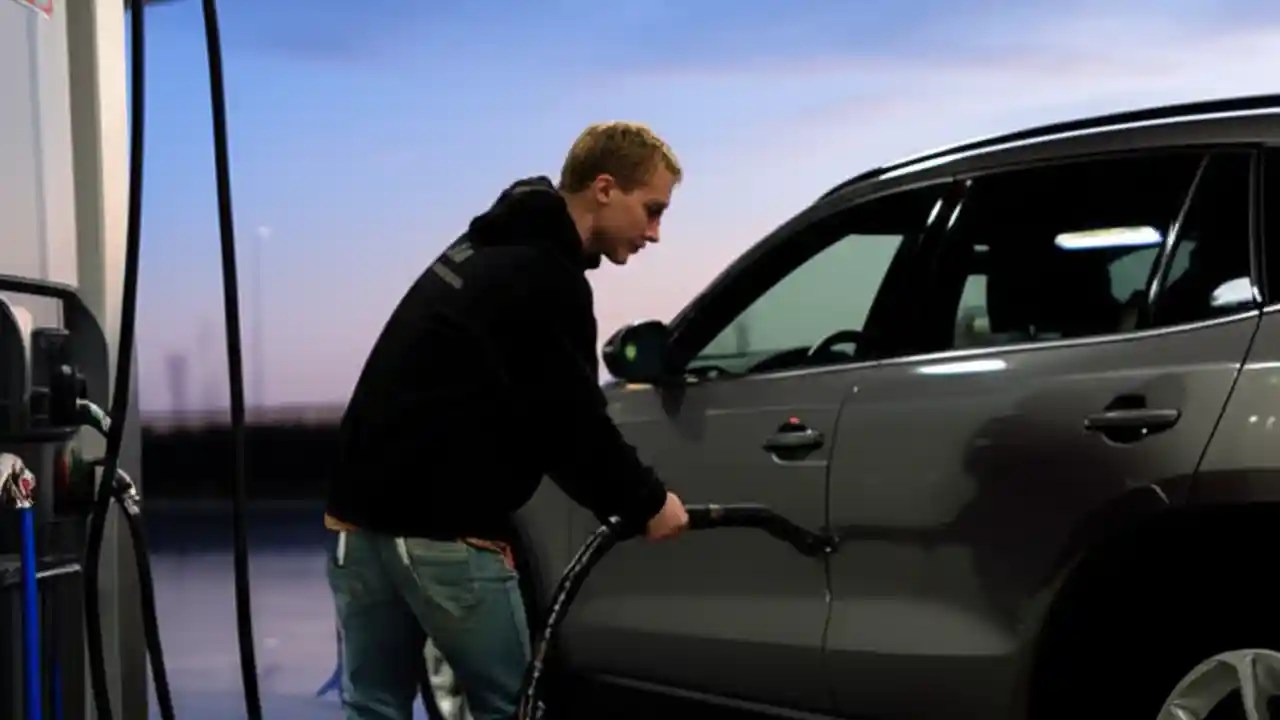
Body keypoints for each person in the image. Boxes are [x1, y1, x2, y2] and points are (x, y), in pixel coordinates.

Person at [322, 120, 691, 720]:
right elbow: (570, 424)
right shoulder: (544, 278)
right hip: (440, 528)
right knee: (509, 707)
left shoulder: (481, 249)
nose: (654, 233)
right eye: (651, 210)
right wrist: (647, 502)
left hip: (355, 520)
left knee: (373, 706)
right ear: (604, 188)